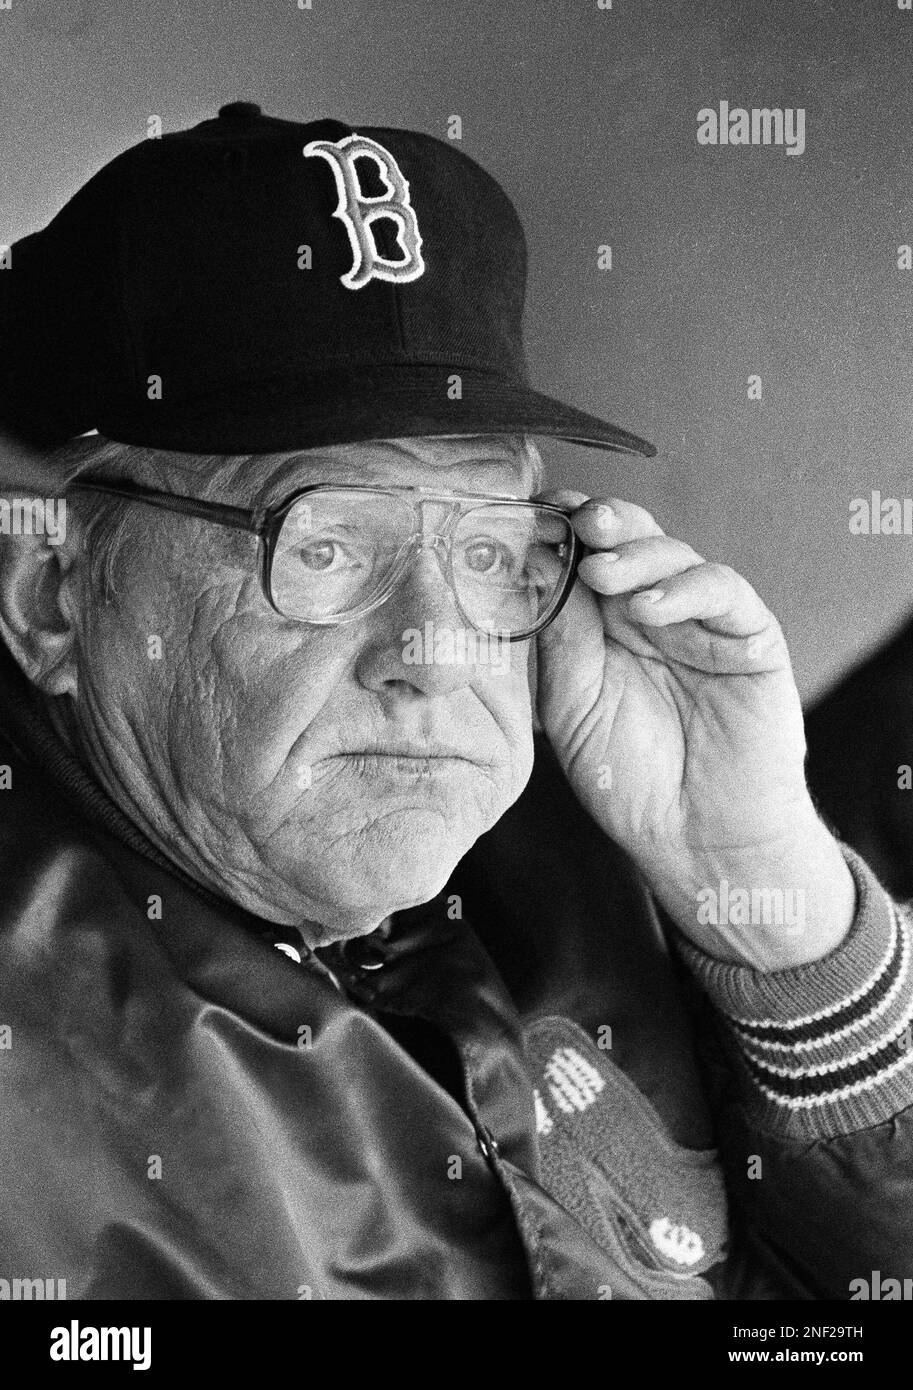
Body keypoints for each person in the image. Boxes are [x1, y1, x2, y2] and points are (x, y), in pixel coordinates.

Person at [0, 102, 909, 1302]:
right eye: (325, 543)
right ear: (55, 594)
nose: (432, 648)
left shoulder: (591, 858)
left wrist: (770, 904)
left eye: (487, 550)